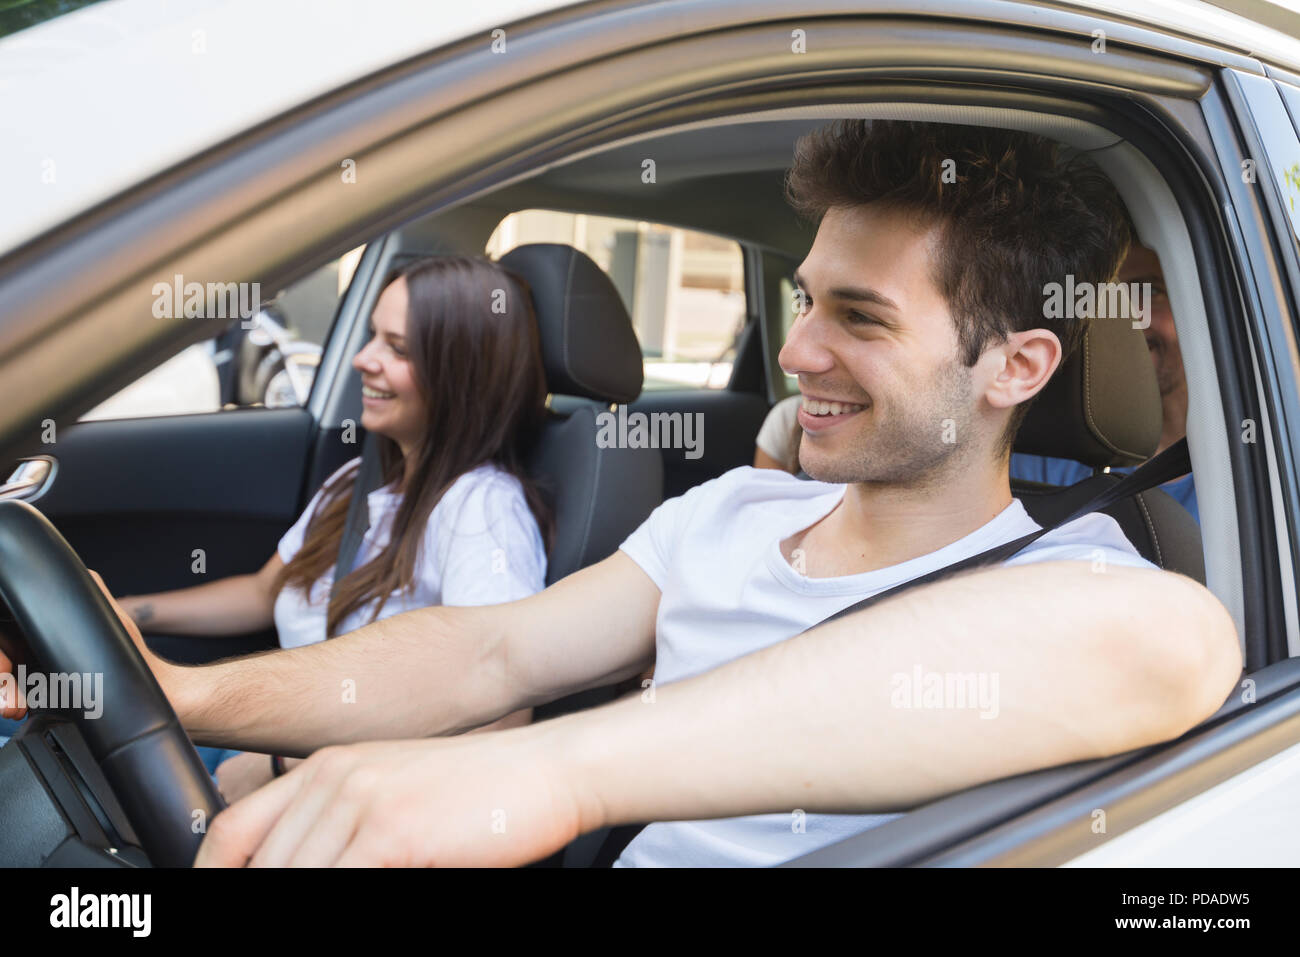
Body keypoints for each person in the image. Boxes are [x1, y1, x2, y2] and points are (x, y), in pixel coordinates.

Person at [0, 121, 1241, 867]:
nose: (799, 351)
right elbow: (490, 654)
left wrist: (556, 775)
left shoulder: (1080, 587)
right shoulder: (733, 515)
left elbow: (1171, 647)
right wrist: (191, 692)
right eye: (804, 298)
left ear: (1016, 367)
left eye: (858, 318)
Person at [5, 255, 553, 798]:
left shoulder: (483, 511)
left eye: (398, 348)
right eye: (371, 337)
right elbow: (264, 592)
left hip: (319, 785)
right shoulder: (359, 480)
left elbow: (494, 727)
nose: (363, 359)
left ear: (462, 373)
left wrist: (282, 769)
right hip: (261, 744)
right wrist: (119, 615)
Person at [1009, 242, 1198, 522]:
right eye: (1106, 302)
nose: (1126, 319)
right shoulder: (1037, 461)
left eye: (1151, 292)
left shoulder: (1253, 466)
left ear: (1195, 311)